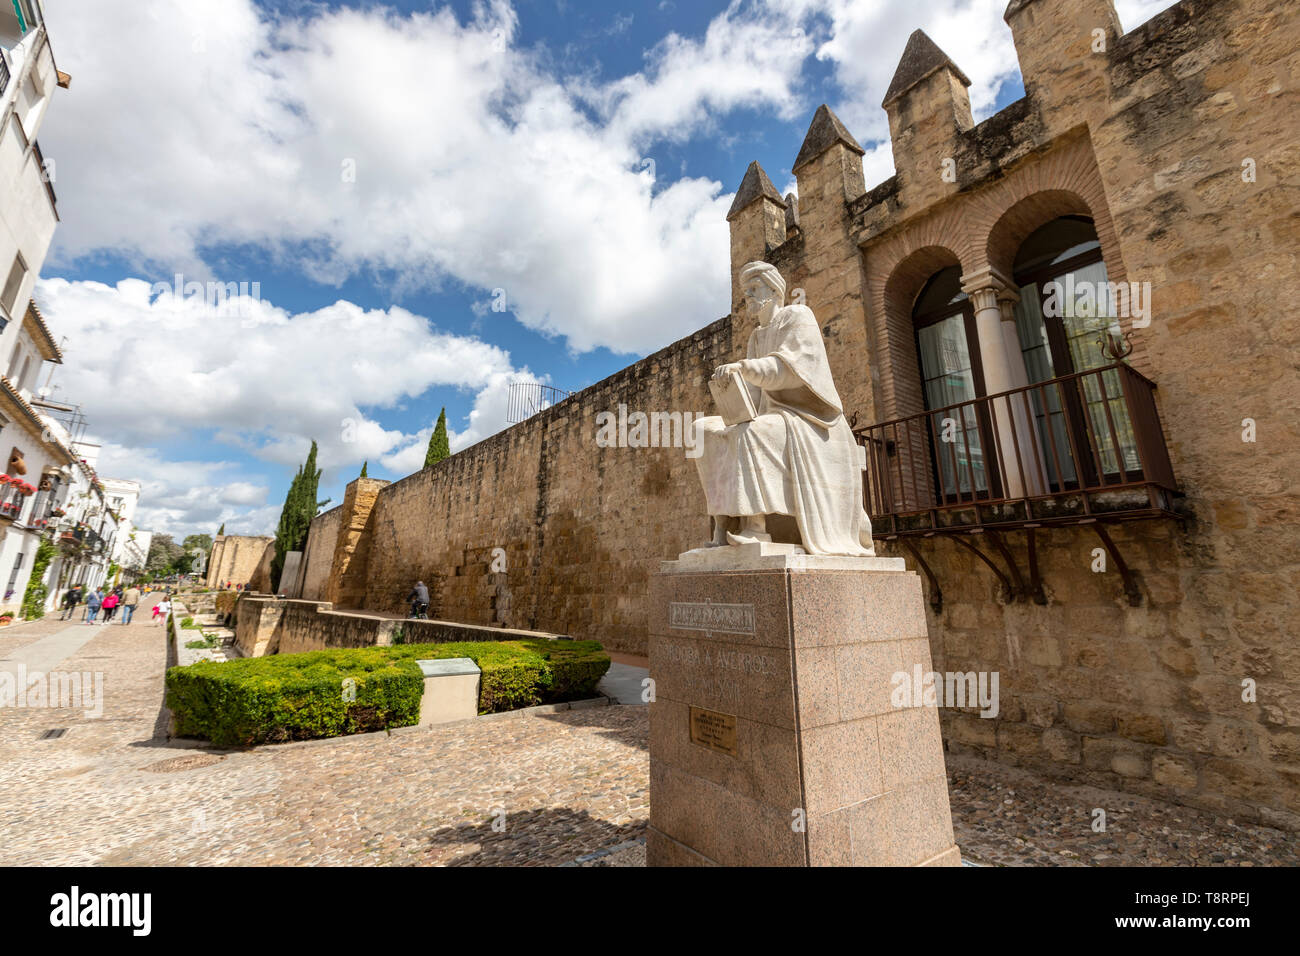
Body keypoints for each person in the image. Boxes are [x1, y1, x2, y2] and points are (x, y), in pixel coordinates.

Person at [692, 260, 875, 555]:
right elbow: (753, 394)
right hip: (772, 416)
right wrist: (731, 396)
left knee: (749, 432)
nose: (748, 296)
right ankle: (721, 527)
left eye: (754, 288)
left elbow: (786, 368)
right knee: (702, 431)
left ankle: (755, 527)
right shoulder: (756, 336)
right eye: (745, 291)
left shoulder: (798, 316)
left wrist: (742, 367)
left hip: (810, 419)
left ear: (774, 290)